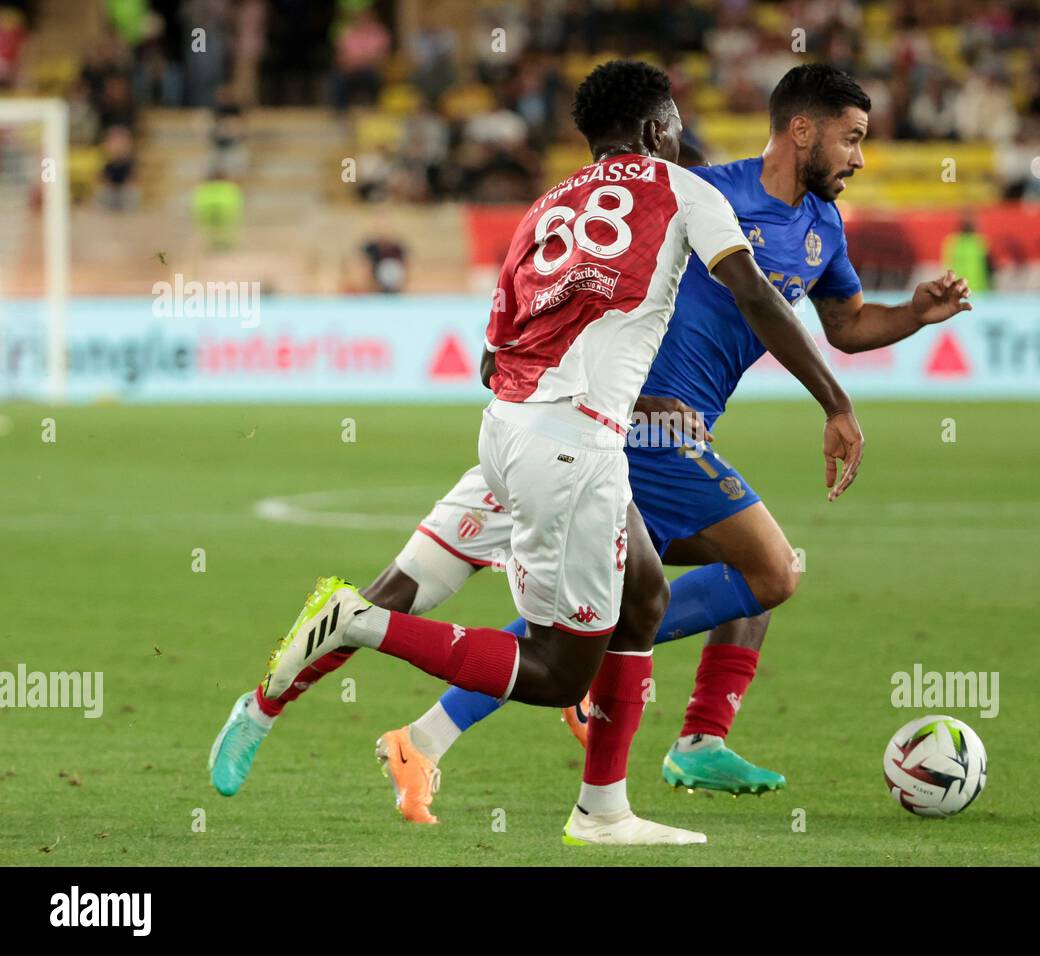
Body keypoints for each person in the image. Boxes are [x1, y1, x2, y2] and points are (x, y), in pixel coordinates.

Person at [211, 64, 972, 824]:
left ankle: (279, 708)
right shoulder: (696, 192)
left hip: (524, 427)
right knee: (748, 576)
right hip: (623, 436)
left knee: (555, 596)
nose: (860, 157)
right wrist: (828, 404)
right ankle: (625, 764)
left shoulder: (563, 205)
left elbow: (837, 323)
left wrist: (912, 314)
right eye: (852, 138)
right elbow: (754, 296)